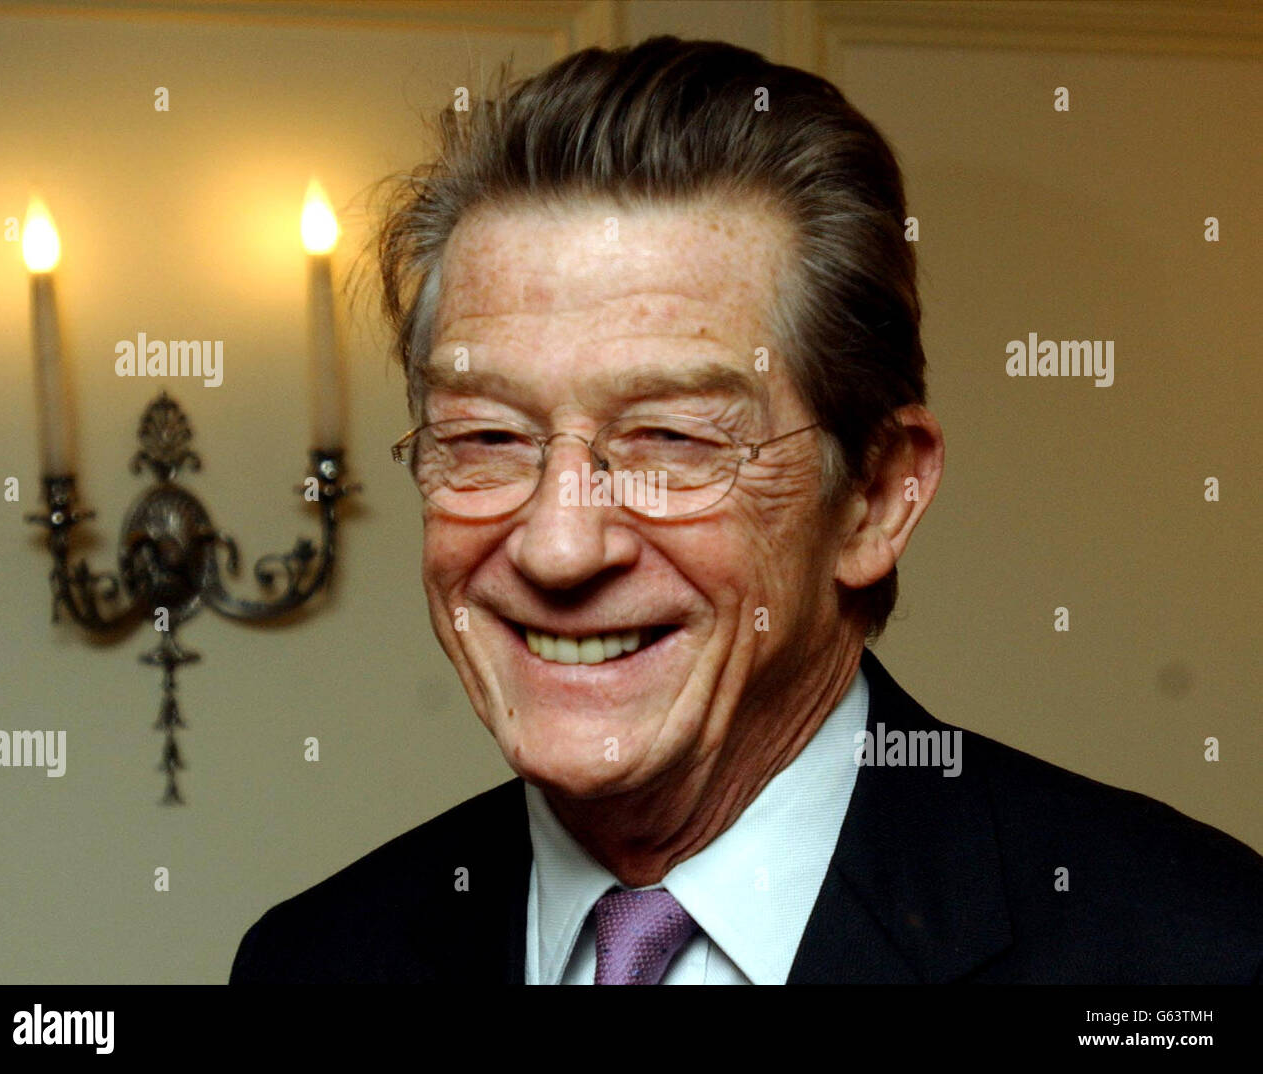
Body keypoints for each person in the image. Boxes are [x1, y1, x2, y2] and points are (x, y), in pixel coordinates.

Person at [230, 36, 1263, 984]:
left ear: (875, 496)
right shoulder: (315, 962)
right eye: (487, 438)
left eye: (672, 441)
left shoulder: (1188, 952)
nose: (557, 545)